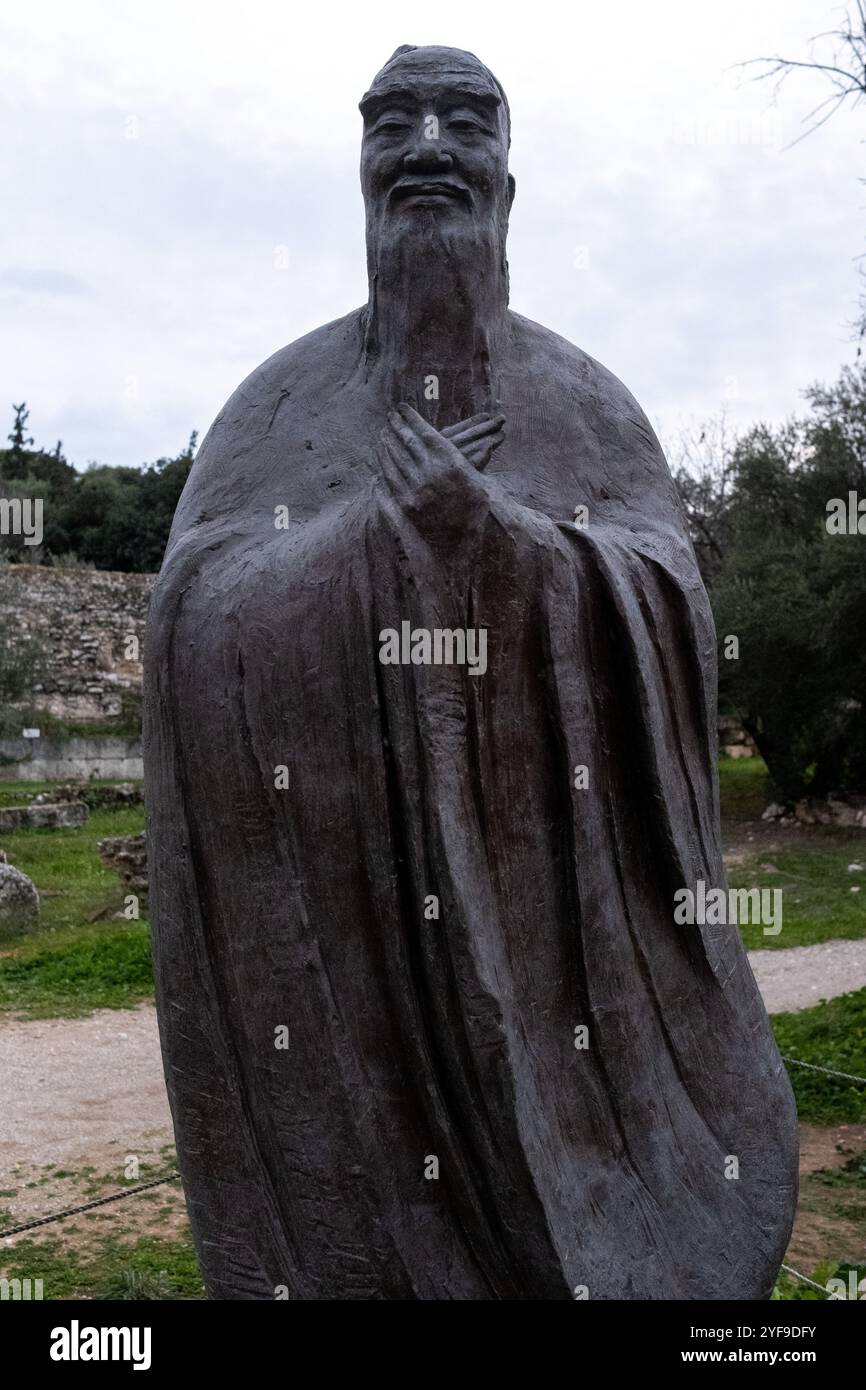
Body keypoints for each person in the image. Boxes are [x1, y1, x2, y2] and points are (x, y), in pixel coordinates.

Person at [144, 45, 797, 1300]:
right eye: (394, 122)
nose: (429, 143)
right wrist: (365, 544)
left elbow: (667, 600)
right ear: (359, 170)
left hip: (554, 927)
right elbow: (189, 618)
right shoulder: (272, 408)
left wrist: (499, 542)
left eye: (464, 121)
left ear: (507, 177)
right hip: (350, 939)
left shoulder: (583, 403)